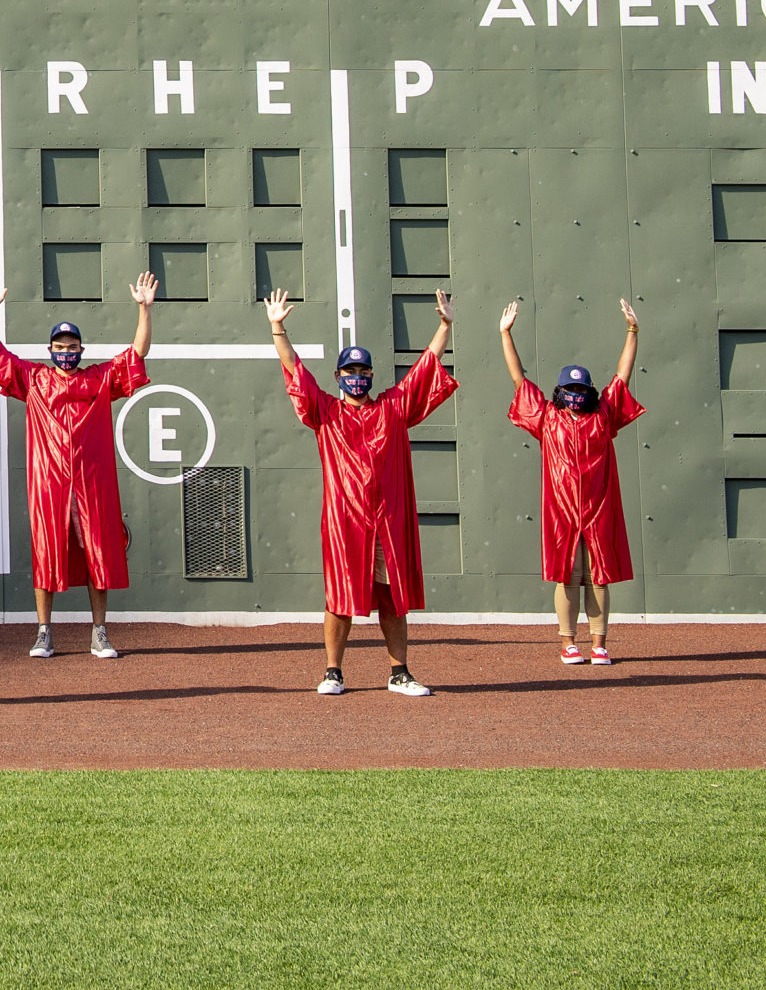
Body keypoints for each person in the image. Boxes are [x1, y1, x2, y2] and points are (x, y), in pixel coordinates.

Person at [267, 288, 456, 697]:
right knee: (339, 599)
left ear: (371, 375)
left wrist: (445, 326)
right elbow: (295, 372)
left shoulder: (392, 408)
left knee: (392, 598)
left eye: (363, 371)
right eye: (349, 371)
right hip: (345, 523)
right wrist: (277, 327)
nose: (357, 377)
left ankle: (399, 672)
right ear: (338, 377)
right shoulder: (327, 413)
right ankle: (333, 671)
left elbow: (426, 368)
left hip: (387, 522)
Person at [0, 270, 155, 660]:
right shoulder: (36, 379)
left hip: (92, 484)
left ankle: (99, 632)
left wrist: (144, 310)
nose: (66, 351)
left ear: (81, 348)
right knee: (46, 552)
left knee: (98, 553)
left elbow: (137, 354)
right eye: (60, 345)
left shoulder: (99, 378)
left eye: (72, 344)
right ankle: (44, 632)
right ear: (51, 349)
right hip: (49, 484)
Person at [501, 298, 644, 665]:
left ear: (590, 392)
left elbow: (622, 377)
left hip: (599, 508)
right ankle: (568, 643)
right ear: (560, 391)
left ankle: (599, 644)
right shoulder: (548, 418)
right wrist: (506, 334)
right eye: (570, 390)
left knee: (599, 576)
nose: (576, 396)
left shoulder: (604, 415)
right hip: (562, 510)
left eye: (581, 391)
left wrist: (633, 331)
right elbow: (519, 379)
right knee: (567, 576)